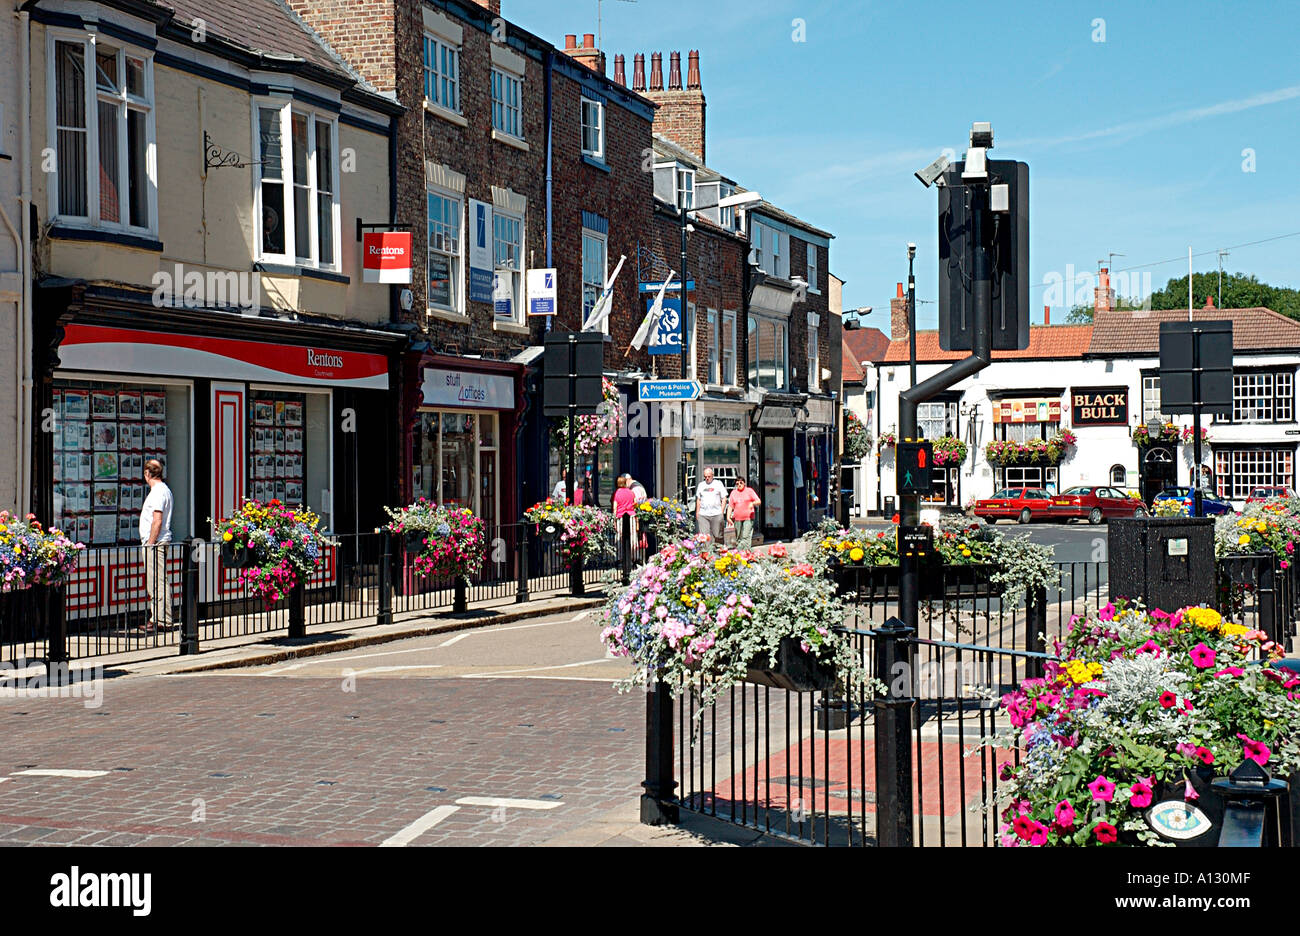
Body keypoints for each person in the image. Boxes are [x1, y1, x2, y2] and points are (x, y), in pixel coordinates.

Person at [139, 458, 174, 633]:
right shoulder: (163, 490)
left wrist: (149, 544)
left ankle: (162, 620)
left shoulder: (158, 492)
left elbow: (157, 521)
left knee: (157, 582)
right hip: (157, 541)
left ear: (147, 474)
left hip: (156, 542)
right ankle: (157, 617)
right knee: (156, 581)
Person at [728, 477, 762, 549]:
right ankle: (740, 554)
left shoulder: (749, 491)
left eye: (741, 483)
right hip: (737, 518)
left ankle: (746, 553)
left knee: (746, 536)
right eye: (737, 484)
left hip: (748, 518)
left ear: (744, 483)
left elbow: (758, 501)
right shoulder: (734, 493)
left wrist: (752, 503)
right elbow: (730, 506)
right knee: (738, 537)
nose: (739, 485)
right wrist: (728, 517)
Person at [695, 467, 728, 542]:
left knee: (718, 536)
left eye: (709, 476)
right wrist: (697, 512)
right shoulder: (701, 485)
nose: (707, 478)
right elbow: (698, 499)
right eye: (705, 477)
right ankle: (706, 552)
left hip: (716, 513)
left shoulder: (718, 484)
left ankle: (718, 552)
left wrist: (721, 512)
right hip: (703, 514)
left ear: (712, 475)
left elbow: (724, 498)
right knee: (704, 537)